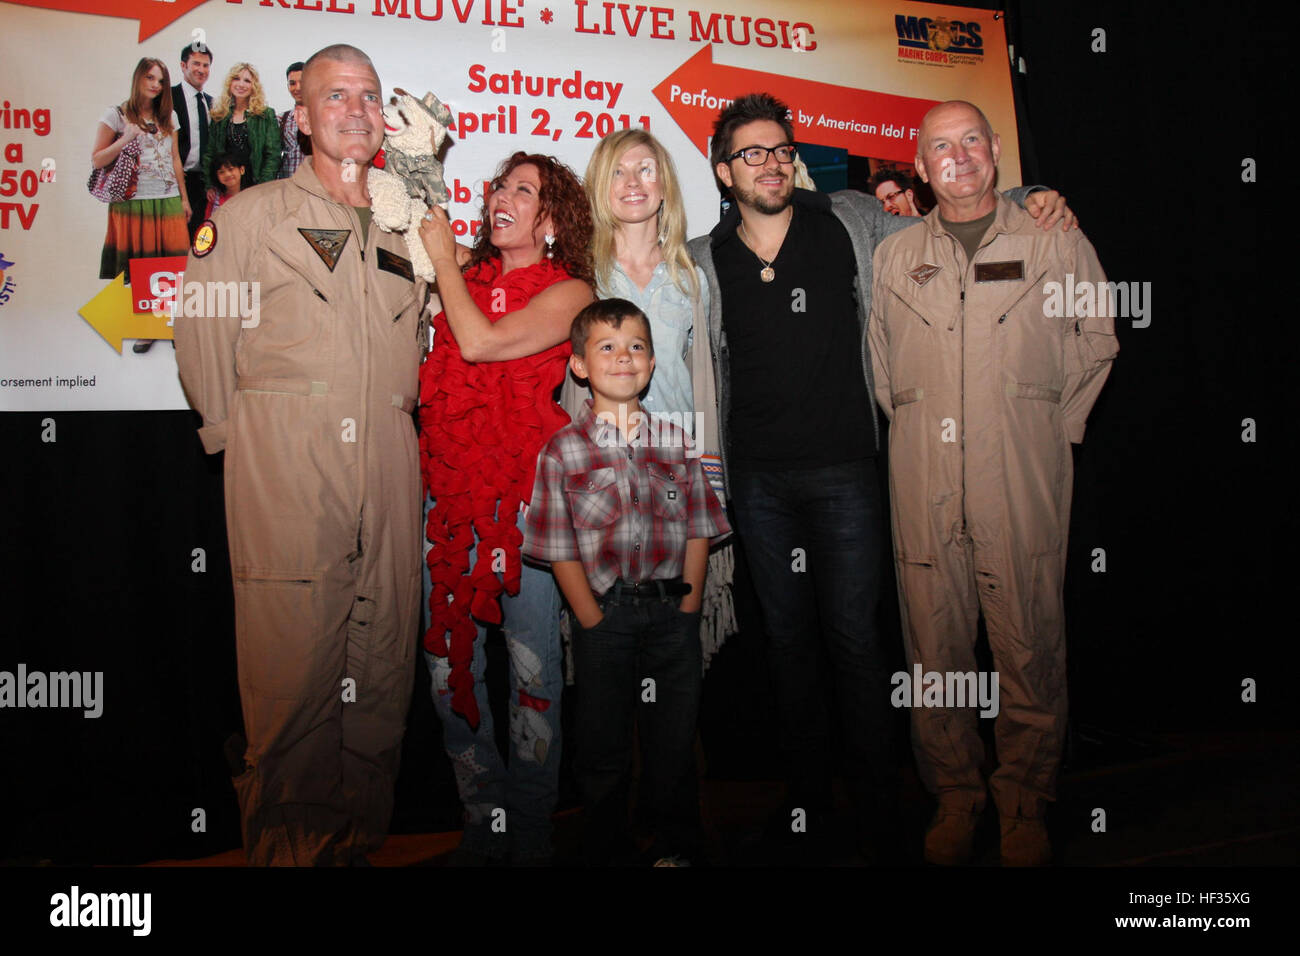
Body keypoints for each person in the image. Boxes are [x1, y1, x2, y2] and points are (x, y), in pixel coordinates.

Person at [687, 92, 1076, 863]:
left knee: (859, 644)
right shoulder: (704, 259)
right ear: (722, 169)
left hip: (849, 476)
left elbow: (957, 214)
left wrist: (1027, 194)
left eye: (779, 149)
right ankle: (806, 802)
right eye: (750, 154)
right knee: (787, 646)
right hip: (759, 484)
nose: (769, 163)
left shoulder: (854, 221)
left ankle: (877, 804)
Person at [174, 44, 429, 866]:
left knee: (381, 671)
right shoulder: (252, 215)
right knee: (295, 677)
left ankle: (355, 844)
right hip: (288, 457)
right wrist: (238, 437)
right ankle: (290, 854)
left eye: (369, 96)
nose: (355, 110)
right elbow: (203, 328)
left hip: (389, 452)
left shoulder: (406, 228)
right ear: (304, 116)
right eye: (336, 96)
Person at [870, 100, 1118, 866]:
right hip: (923, 479)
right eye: (939, 146)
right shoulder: (893, 256)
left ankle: (1023, 803)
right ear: (918, 166)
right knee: (934, 646)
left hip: (1022, 474)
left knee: (1028, 641)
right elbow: (884, 375)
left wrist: (1046, 430)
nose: (958, 156)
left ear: (996, 149)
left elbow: (1096, 340)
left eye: (970, 139)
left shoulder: (1053, 236)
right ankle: (955, 796)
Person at [417, 152, 594, 864]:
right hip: (451, 499)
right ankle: (480, 816)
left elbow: (484, 342)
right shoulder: (467, 275)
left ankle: (530, 827)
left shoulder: (571, 291)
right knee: (444, 666)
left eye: (525, 191)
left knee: (530, 669)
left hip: (525, 507)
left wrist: (443, 264)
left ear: (551, 221)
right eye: (499, 186)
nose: (502, 197)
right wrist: (444, 260)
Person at [523, 299, 730, 866]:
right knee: (603, 747)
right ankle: (606, 846)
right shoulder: (562, 451)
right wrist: (590, 617)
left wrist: (688, 611)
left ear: (653, 361)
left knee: (673, 742)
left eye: (636, 346)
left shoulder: (676, 442)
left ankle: (675, 844)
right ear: (580, 366)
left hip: (671, 621)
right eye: (607, 347)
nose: (624, 357)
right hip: (605, 621)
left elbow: (700, 527)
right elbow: (556, 545)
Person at [583, 128, 734, 661]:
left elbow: (705, 381)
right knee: (607, 634)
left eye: (645, 169)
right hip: (601, 465)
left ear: (664, 185)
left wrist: (709, 471)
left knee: (676, 638)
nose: (632, 182)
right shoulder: (583, 273)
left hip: (677, 464)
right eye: (618, 172)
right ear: (600, 188)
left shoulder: (691, 276)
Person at [91, 57, 191, 354]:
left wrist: (184, 197)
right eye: (150, 78)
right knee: (143, 267)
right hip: (133, 201)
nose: (155, 85)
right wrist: (126, 138)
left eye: (160, 81)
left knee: (174, 265)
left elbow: (175, 158)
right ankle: (148, 329)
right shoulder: (116, 114)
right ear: (138, 78)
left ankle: (173, 325)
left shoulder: (168, 114)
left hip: (168, 197)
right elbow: (97, 159)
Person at [204, 62, 280, 195]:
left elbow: (273, 155)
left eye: (247, 81)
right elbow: (210, 153)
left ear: (254, 86)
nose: (241, 84)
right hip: (226, 187)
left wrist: (262, 186)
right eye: (236, 78)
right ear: (229, 83)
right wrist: (209, 184)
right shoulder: (219, 115)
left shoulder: (265, 115)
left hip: (256, 187)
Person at [172, 42, 212, 240]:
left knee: (200, 242)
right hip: (176, 181)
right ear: (183, 65)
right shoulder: (168, 98)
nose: (201, 70)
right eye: (196, 64)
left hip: (204, 185)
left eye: (205, 65)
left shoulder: (212, 103)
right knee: (175, 241)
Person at [277, 61, 308, 179]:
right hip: (288, 186)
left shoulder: (324, 118)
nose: (297, 88)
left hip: (317, 188)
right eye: (292, 83)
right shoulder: (281, 119)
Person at [203, 149, 251, 219]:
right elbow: (208, 223)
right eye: (221, 172)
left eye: (231, 169)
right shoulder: (214, 196)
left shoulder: (251, 196)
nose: (227, 174)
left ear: (242, 170)